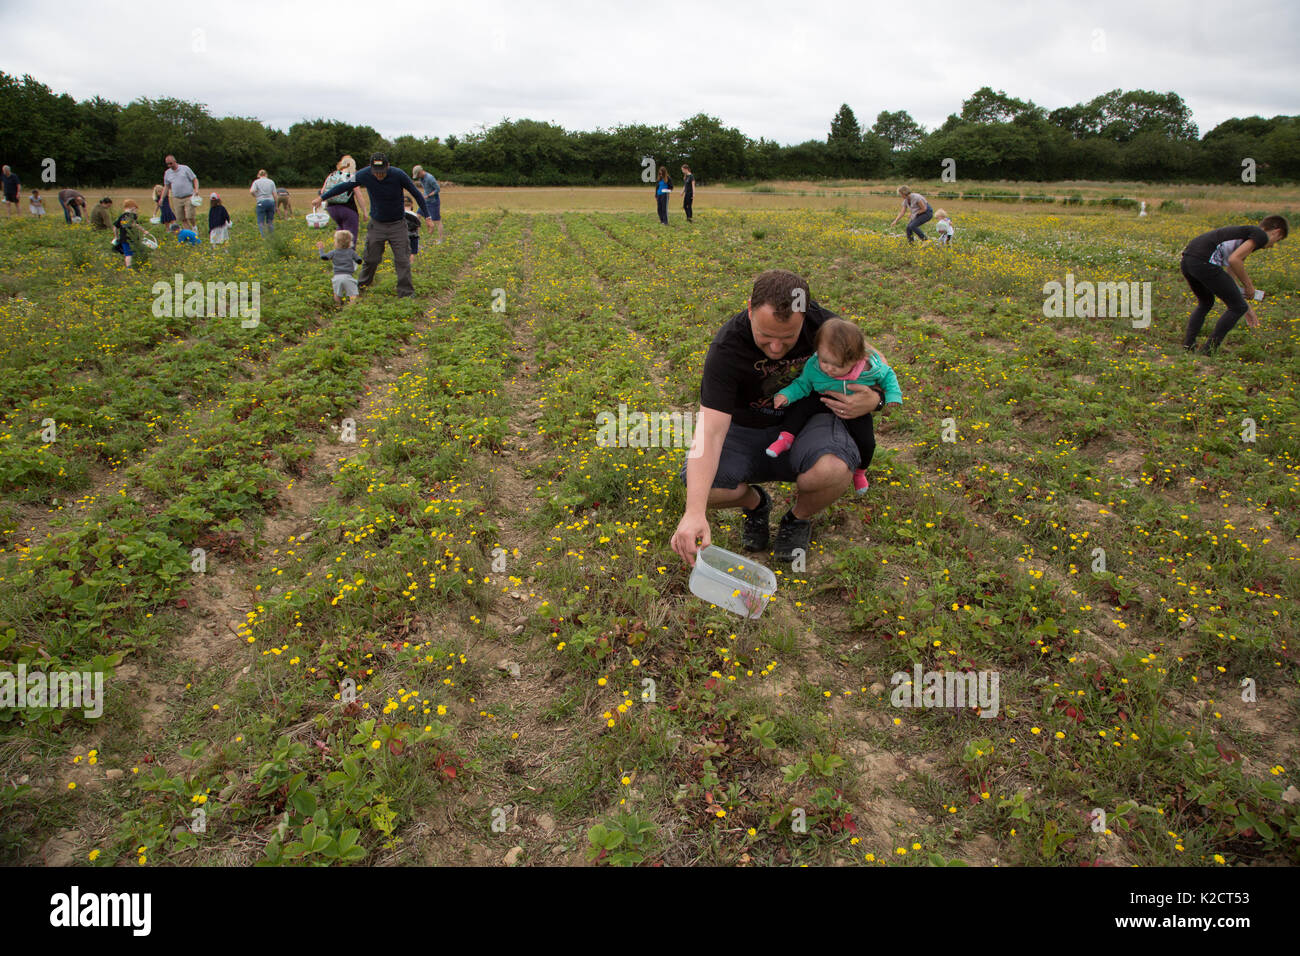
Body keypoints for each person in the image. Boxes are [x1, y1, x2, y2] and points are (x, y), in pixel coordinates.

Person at [670, 269, 883, 566]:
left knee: (835, 468)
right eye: (766, 336)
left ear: (805, 317)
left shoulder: (822, 323)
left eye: (788, 338)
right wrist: (694, 512)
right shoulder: (727, 348)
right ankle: (756, 504)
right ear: (749, 310)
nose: (776, 348)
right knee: (703, 488)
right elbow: (710, 432)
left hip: (809, 423)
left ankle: (797, 518)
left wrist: (875, 398)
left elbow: (874, 359)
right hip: (747, 430)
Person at [765, 318, 901, 495]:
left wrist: (893, 395)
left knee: (867, 441)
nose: (828, 369)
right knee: (799, 410)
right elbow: (803, 383)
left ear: (857, 359)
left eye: (837, 365)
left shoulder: (870, 368)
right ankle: (785, 439)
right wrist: (786, 395)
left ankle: (860, 472)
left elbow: (888, 376)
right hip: (821, 398)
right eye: (824, 361)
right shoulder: (815, 365)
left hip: (854, 407)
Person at [313, 152, 432, 298]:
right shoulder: (364, 174)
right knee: (371, 259)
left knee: (402, 260)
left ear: (387, 166)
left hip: (397, 224)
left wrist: (428, 216)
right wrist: (322, 197)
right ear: (371, 168)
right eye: (376, 173)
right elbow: (344, 186)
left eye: (382, 172)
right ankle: (360, 288)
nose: (379, 176)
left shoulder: (398, 174)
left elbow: (416, 193)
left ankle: (406, 294)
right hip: (377, 225)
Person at [1181, 216, 1288, 354]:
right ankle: (1208, 351)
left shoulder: (1244, 235)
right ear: (1276, 232)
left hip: (1188, 260)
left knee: (1206, 302)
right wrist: (1249, 287)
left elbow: (1230, 274)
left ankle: (1188, 346)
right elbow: (1234, 260)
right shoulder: (1260, 235)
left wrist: (1247, 309)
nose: (1272, 245)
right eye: (1277, 241)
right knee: (1237, 307)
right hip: (1204, 261)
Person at [320, 154, 366, 247]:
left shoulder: (332, 174)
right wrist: (364, 211)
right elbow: (359, 196)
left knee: (340, 233)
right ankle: (349, 258)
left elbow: (322, 191)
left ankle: (338, 255)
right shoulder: (351, 176)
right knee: (350, 236)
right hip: (348, 209)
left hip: (332, 209)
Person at [316, 229, 363, 306]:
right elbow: (359, 260)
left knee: (337, 294)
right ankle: (351, 308)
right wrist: (358, 260)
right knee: (353, 294)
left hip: (337, 277)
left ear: (336, 242)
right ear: (350, 243)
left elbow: (324, 257)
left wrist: (321, 249)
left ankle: (337, 307)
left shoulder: (334, 252)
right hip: (348, 276)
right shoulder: (351, 252)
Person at [161, 155, 200, 230]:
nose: (169, 165)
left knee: (190, 216)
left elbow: (194, 179)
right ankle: (189, 234)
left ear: (175, 161)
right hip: (176, 198)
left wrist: (196, 189)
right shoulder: (167, 173)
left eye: (171, 163)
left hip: (188, 196)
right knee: (182, 218)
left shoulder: (185, 169)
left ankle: (194, 227)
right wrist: (162, 198)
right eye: (167, 164)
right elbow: (166, 186)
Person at [112, 200, 151, 268]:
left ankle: (129, 268)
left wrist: (116, 237)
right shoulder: (132, 216)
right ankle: (135, 266)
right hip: (132, 238)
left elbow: (115, 227)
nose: (136, 210)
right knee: (136, 252)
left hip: (123, 239)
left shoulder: (121, 217)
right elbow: (135, 225)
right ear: (132, 207)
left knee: (127, 254)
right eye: (135, 209)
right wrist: (144, 231)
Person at [412, 164, 443, 243]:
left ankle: (440, 239)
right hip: (425, 202)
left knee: (437, 221)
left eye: (418, 174)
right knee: (417, 216)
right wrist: (423, 194)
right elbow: (426, 189)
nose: (417, 177)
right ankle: (416, 237)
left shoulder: (430, 178)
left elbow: (437, 189)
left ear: (421, 171)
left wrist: (428, 195)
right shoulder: (421, 179)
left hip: (433, 202)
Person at [250, 169, 278, 237]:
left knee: (261, 222)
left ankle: (264, 237)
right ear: (266, 174)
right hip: (271, 202)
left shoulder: (256, 182)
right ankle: (272, 236)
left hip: (261, 202)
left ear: (259, 175)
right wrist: (276, 206)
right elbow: (275, 195)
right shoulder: (271, 182)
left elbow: (252, 191)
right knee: (270, 221)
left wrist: (256, 196)